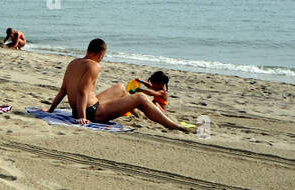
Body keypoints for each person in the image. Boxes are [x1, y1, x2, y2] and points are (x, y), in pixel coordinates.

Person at [47, 39, 189, 131]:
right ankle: (171, 125)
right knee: (140, 97)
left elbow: (63, 90)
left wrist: (50, 110)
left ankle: (138, 113)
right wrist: (82, 117)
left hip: (80, 108)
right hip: (92, 112)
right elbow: (83, 92)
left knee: (121, 87)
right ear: (101, 54)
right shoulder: (94, 66)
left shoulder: (73, 63)